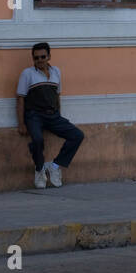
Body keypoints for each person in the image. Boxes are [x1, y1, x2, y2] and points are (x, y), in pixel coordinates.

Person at [16, 42, 84, 188]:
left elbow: (57, 95)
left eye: (43, 56)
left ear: (49, 56)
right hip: (34, 115)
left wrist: (59, 114)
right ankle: (39, 169)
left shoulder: (56, 72)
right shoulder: (27, 73)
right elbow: (20, 98)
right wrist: (21, 123)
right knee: (38, 140)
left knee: (77, 135)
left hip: (53, 115)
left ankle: (54, 166)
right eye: (36, 58)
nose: (40, 60)